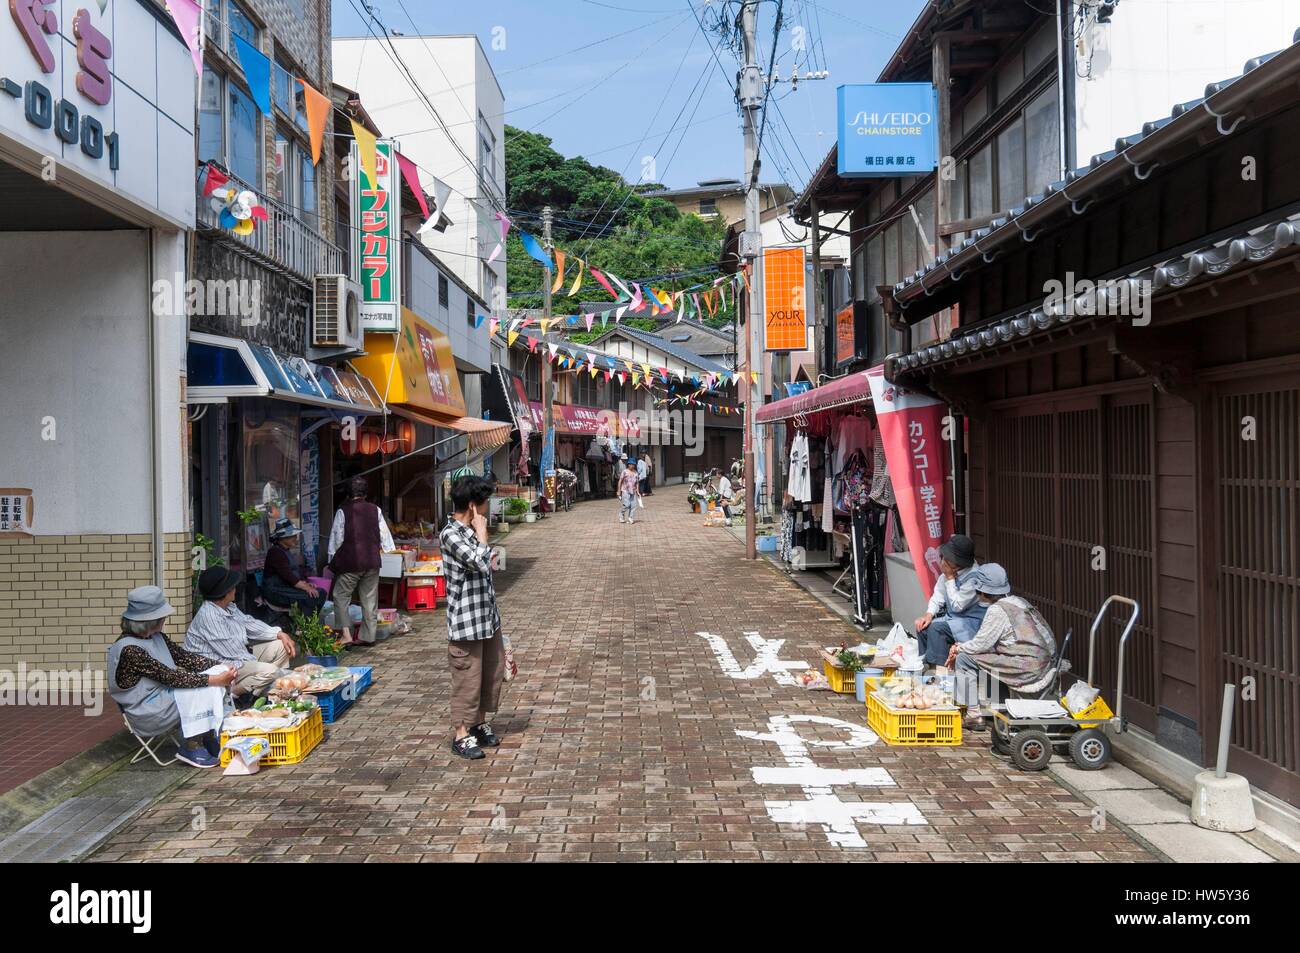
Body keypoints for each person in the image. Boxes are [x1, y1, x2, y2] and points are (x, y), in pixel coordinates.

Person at [109, 586, 238, 768]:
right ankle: (192, 745)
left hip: (165, 697)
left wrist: (220, 666)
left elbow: (185, 658)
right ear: (150, 621)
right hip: (147, 709)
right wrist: (215, 679)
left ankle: (207, 736)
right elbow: (170, 677)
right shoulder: (130, 650)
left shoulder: (156, 637)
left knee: (213, 676)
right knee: (206, 686)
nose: (164, 620)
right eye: (161, 617)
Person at [440, 475, 506, 760]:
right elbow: (481, 560)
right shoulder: (451, 534)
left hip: (486, 619)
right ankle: (461, 734)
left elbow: (490, 565)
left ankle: (478, 724)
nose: (488, 509)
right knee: (467, 678)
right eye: (485, 503)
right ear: (472, 506)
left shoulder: (467, 532)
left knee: (488, 674)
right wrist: (482, 534)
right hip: (466, 623)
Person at [946, 563, 1057, 727]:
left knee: (964, 659)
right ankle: (999, 706)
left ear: (982, 591)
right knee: (989, 658)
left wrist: (958, 647)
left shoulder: (997, 610)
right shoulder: (1019, 601)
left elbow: (980, 645)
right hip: (1045, 661)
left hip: (1027, 667)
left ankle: (974, 715)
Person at [185, 567, 296, 700]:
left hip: (237, 657)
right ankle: (232, 694)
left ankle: (255, 690)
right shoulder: (209, 616)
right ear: (225, 592)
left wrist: (279, 634)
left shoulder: (228, 606)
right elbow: (234, 653)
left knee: (282, 647)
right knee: (271, 671)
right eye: (232, 586)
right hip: (219, 665)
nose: (235, 588)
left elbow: (248, 623)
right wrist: (267, 669)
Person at [328, 476, 395, 646]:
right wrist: (388, 549)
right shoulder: (375, 510)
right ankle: (368, 636)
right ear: (365, 493)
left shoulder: (343, 510)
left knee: (340, 595)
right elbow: (384, 534)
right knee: (369, 598)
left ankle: (346, 634)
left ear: (348, 494)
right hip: (372, 561)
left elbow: (337, 538)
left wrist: (332, 560)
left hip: (351, 562)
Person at [913, 534, 987, 666]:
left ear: (959, 562)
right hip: (953, 620)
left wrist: (950, 578)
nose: (944, 559)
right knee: (923, 628)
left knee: (936, 629)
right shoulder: (949, 571)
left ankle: (941, 671)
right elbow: (938, 596)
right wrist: (928, 614)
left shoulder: (974, 577)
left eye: (948, 557)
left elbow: (958, 606)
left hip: (971, 623)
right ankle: (925, 666)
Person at [262, 518, 326, 616]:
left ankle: (309, 624)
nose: (295, 538)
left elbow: (293, 574)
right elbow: (288, 576)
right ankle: (304, 626)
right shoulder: (275, 552)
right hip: (275, 592)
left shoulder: (285, 550)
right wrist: (306, 587)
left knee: (320, 592)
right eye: (292, 536)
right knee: (312, 596)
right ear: (282, 538)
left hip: (285, 587)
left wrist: (306, 584)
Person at [617, 459, 641, 524]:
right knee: (627, 504)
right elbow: (620, 481)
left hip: (633, 491)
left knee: (633, 505)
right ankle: (621, 514)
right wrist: (618, 491)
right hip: (625, 490)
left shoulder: (636, 473)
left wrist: (638, 491)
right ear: (628, 464)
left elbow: (637, 483)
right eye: (630, 464)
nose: (632, 465)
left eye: (633, 464)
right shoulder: (624, 471)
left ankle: (630, 517)